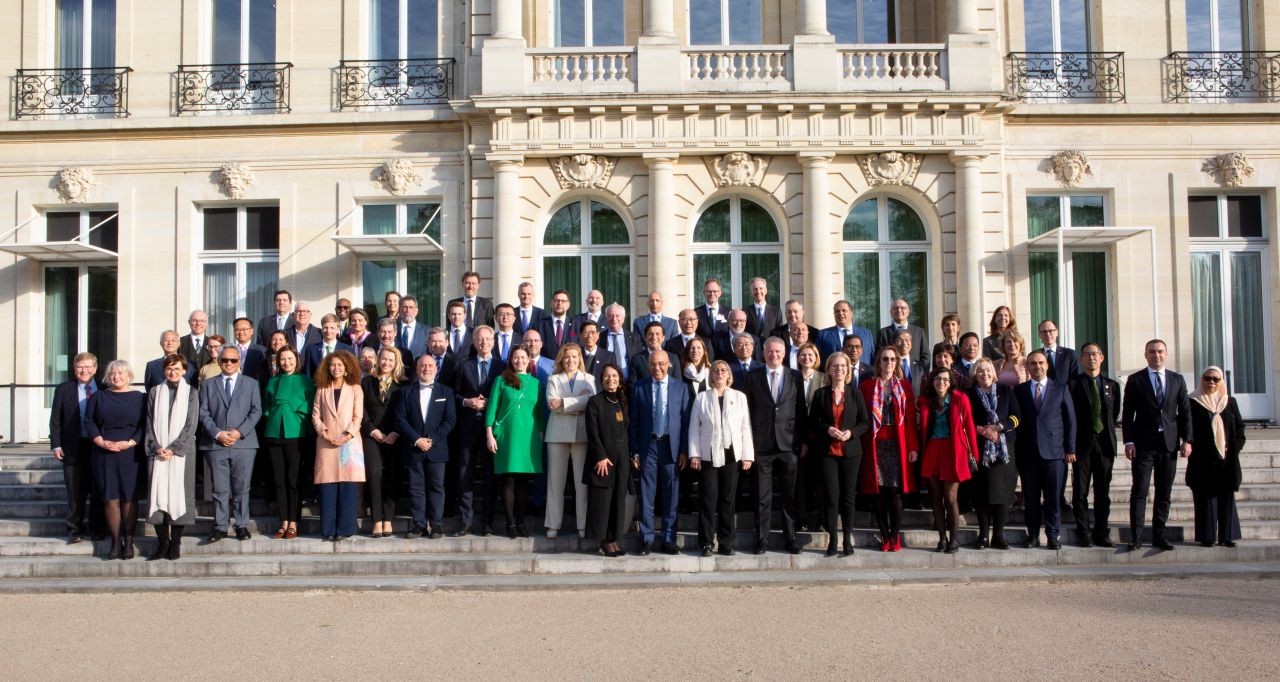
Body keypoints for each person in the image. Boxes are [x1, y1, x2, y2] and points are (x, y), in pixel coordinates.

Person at [1122, 339, 1192, 552]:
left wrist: (1187, 440)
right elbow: (1127, 413)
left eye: (1160, 351)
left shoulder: (1177, 380)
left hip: (1168, 444)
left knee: (1164, 492)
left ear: (1166, 354)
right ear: (1146, 355)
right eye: (1152, 352)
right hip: (1143, 444)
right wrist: (1129, 441)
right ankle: (1137, 536)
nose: (1156, 355)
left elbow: (1185, 411)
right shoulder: (1135, 380)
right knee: (1140, 490)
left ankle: (1160, 535)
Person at [742, 337, 806, 554]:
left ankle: (791, 537)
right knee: (762, 497)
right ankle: (762, 539)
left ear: (785, 353)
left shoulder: (794, 376)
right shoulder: (752, 377)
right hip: (762, 446)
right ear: (763, 353)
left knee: (790, 496)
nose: (774, 355)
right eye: (770, 351)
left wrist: (801, 440)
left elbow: (801, 411)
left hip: (788, 446)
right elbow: (747, 413)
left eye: (778, 351)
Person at [688, 360, 755, 556]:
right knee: (708, 500)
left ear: (729, 375)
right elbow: (694, 427)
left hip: (732, 455)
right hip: (708, 454)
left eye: (723, 370)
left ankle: (726, 542)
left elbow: (745, 427)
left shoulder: (739, 397)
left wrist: (747, 456)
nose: (719, 373)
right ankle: (706, 543)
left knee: (728, 500)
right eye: (716, 370)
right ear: (711, 375)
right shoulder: (702, 397)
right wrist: (694, 454)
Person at [628, 349, 690, 555]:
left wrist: (684, 451)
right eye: (653, 364)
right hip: (649, 447)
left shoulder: (680, 388)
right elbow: (634, 423)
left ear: (669, 364)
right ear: (648, 365)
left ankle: (668, 538)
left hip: (671, 447)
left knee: (671, 494)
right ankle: (646, 538)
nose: (658, 368)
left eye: (661, 364)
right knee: (647, 494)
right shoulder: (639, 388)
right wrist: (634, 451)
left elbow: (685, 422)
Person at [84, 360, 148, 560]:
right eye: (112, 373)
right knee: (110, 498)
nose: (116, 377)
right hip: (104, 453)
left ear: (129, 375)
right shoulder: (98, 397)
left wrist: (130, 442)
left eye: (121, 373)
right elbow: (89, 421)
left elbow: (145, 424)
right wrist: (101, 442)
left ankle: (128, 541)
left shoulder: (140, 398)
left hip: (131, 453)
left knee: (129, 497)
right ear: (107, 376)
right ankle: (115, 541)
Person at [1013, 350, 1076, 550]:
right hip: (1028, 454)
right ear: (1027, 367)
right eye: (1032, 363)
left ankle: (1053, 534)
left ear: (1047, 365)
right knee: (1031, 498)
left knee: (1053, 498)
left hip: (1055, 453)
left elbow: (1070, 420)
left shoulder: (1061, 388)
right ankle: (1032, 535)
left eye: (1040, 363)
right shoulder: (1020, 391)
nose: (1037, 366)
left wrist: (1070, 448)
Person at [809, 352, 870, 557]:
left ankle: (847, 540)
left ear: (848, 370)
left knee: (848, 497)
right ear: (828, 370)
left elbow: (864, 422)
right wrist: (827, 429)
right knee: (831, 497)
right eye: (835, 366)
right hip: (827, 452)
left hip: (851, 452)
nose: (839, 369)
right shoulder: (821, 394)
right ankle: (833, 540)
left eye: (843, 366)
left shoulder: (856, 394)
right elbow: (812, 422)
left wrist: (850, 432)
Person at [199, 346, 262, 543]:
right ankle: (220, 526)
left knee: (242, 487)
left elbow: (256, 411)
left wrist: (238, 432)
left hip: (243, 444)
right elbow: (203, 412)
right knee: (219, 488)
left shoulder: (251, 384)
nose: (228, 363)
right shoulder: (208, 384)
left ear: (239, 363)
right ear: (219, 362)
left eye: (233, 360)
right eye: (225, 360)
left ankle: (241, 525)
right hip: (215, 444)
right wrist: (217, 433)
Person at [859, 346, 919, 552]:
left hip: (897, 444)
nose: (889, 362)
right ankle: (884, 536)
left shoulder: (904, 386)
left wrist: (913, 447)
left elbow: (911, 419)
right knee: (878, 492)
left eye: (893, 359)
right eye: (885, 359)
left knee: (894, 492)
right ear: (879, 362)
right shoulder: (867, 386)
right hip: (875, 445)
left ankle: (895, 535)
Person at [917, 368, 979, 554]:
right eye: (937, 379)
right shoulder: (925, 400)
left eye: (945, 379)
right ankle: (942, 538)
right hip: (933, 451)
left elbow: (969, 426)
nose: (941, 382)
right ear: (932, 381)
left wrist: (974, 455)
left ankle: (954, 539)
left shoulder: (960, 399)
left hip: (954, 452)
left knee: (950, 498)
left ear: (951, 382)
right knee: (935, 498)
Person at [485, 346, 545, 538]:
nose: (519, 360)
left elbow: (540, 412)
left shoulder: (536, 383)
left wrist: (542, 434)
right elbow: (492, 409)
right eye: (515, 357)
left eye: (523, 357)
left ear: (529, 360)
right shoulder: (501, 380)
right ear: (510, 360)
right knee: (509, 479)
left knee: (524, 481)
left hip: (529, 437)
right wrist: (489, 434)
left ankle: (521, 521)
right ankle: (510, 523)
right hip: (507, 436)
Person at [143, 354, 199, 561]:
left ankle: (175, 543)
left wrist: (174, 448)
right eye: (169, 369)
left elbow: (191, 423)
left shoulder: (191, 392)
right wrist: (156, 447)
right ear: (164, 370)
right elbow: (149, 422)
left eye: (177, 369)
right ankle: (162, 543)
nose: (173, 372)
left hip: (180, 453)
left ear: (184, 371)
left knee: (179, 496)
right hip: (157, 452)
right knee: (158, 495)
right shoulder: (154, 392)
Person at [396, 354, 457, 539]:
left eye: (430, 365)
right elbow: (400, 419)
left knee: (437, 487)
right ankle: (419, 524)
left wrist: (431, 439)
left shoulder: (446, 392)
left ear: (436, 368)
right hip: (414, 448)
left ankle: (436, 525)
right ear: (417, 368)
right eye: (423, 366)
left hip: (436, 448)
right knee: (416, 488)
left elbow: (450, 420)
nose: (426, 369)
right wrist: (417, 439)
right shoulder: (405, 392)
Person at [1067, 343, 1121, 547]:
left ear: (1102, 358)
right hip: (1081, 445)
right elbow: (1070, 418)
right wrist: (1069, 447)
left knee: (1102, 492)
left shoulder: (1112, 386)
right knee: (1080, 491)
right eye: (1087, 354)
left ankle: (1101, 531)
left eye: (1095, 354)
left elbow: (1113, 414)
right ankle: (1084, 532)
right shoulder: (1073, 385)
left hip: (1105, 444)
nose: (1091, 358)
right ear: (1081, 359)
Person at [451, 326, 503, 536]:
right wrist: (466, 401)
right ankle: (466, 521)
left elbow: (507, 396)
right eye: (479, 339)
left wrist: (492, 403)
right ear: (473, 342)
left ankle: (488, 522)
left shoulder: (502, 366)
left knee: (491, 476)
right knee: (465, 474)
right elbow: (452, 395)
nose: (483, 343)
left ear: (493, 341)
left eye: (487, 339)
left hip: (492, 431)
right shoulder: (464, 366)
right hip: (468, 428)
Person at [1186, 366, 1246, 548]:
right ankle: (1207, 536)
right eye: (1207, 378)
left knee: (1226, 496)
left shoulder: (1229, 401)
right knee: (1205, 497)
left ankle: (1227, 536)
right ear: (1201, 379)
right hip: (1202, 458)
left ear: (1221, 382)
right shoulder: (1193, 401)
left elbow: (1239, 426)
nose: (1211, 382)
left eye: (1216, 379)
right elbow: (1187, 428)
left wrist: (1236, 446)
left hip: (1226, 458)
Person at [49, 352, 105, 543]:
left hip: (99, 446)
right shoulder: (64, 389)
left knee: (98, 489)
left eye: (88, 366)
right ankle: (75, 529)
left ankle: (97, 528)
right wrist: (56, 444)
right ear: (74, 369)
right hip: (73, 446)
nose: (84, 370)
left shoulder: (104, 388)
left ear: (96, 369)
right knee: (75, 491)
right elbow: (56, 420)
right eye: (80, 366)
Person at [968, 358, 1022, 550]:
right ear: (975, 374)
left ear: (994, 372)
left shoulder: (1006, 391)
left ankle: (999, 535)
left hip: (1003, 449)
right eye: (981, 371)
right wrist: (981, 430)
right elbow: (962, 419)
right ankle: (983, 535)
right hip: (980, 449)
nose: (985, 374)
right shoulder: (968, 394)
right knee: (982, 495)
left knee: (1002, 495)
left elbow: (1016, 417)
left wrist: (998, 427)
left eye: (988, 370)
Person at [544, 343, 597, 539]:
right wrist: (578, 401)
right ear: (561, 359)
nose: (570, 360)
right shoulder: (553, 379)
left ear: (579, 359)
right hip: (557, 433)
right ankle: (552, 524)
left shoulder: (589, 379)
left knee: (581, 483)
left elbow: (591, 402)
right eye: (566, 357)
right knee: (555, 481)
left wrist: (565, 402)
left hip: (582, 434)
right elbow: (552, 404)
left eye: (574, 357)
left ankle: (583, 525)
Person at [311, 350, 365, 541]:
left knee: (348, 487)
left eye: (340, 365)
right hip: (326, 443)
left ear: (347, 367)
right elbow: (316, 415)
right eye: (333, 364)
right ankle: (328, 529)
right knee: (328, 486)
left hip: (349, 443)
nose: (336, 368)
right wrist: (323, 432)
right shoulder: (321, 389)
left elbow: (358, 416)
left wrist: (347, 434)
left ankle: (345, 528)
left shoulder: (355, 388)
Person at [262, 346, 312, 540]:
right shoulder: (273, 381)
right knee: (279, 481)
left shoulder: (305, 381)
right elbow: (266, 405)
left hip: (296, 432)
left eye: (290, 358)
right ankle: (283, 521)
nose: (286, 362)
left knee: (294, 480)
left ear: (296, 359)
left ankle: (294, 521)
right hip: (274, 432)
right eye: (282, 359)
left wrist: (296, 412)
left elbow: (310, 404)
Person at [583, 364, 631, 557]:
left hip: (622, 459)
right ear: (601, 379)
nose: (610, 379)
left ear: (619, 379)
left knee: (618, 499)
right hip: (603, 459)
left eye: (614, 376)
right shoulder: (595, 402)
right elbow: (592, 433)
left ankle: (615, 539)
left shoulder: (622, 401)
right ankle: (603, 541)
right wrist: (601, 456)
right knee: (603, 502)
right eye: (606, 376)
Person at [361, 348, 406, 537]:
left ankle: (388, 519)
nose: (387, 363)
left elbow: (405, 411)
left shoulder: (402, 384)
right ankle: (377, 520)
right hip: (372, 436)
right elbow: (361, 409)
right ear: (378, 360)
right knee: (374, 474)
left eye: (391, 360)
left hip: (395, 437)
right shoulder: (367, 381)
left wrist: (395, 432)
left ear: (397, 363)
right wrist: (372, 429)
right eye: (384, 359)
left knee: (393, 477)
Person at [794, 341, 827, 532]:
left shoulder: (825, 379)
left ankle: (822, 518)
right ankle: (802, 518)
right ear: (798, 358)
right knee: (801, 479)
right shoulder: (792, 378)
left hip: (820, 437)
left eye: (810, 355)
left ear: (816, 358)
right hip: (799, 437)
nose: (807, 358)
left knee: (821, 479)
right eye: (803, 355)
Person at [817, 299, 874, 366]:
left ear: (851, 313)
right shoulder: (823, 335)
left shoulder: (866, 334)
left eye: (844, 310)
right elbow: (817, 359)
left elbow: (873, 357)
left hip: (863, 375)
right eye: (837, 311)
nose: (840, 313)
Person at [876, 299, 928, 368]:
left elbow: (925, 356)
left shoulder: (919, 332)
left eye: (902, 308)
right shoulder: (883, 333)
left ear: (908, 312)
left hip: (914, 376)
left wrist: (921, 374)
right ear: (891, 312)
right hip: (892, 376)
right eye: (896, 308)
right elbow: (879, 356)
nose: (899, 310)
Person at [600, 304, 640, 377]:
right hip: (607, 383)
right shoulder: (599, 338)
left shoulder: (634, 338)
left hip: (628, 383)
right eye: (610, 316)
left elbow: (638, 362)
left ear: (623, 318)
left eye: (617, 316)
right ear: (606, 319)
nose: (614, 319)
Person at [538, 289, 578, 360]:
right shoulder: (540, 325)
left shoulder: (576, 325)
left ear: (568, 305)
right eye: (556, 300)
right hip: (546, 367)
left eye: (563, 301)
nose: (559, 303)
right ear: (551, 303)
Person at [1036, 319, 1080, 384]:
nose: (1048, 334)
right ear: (1039, 335)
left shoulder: (1069, 354)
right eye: (1044, 332)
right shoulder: (1035, 355)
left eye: (1051, 331)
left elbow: (1074, 379)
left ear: (1057, 332)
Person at [744, 277, 782, 343]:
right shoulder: (745, 311)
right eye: (755, 289)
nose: (758, 292)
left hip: (770, 349)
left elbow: (779, 332)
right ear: (751, 292)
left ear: (766, 291)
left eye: (761, 288)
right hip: (752, 350)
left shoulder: (776, 311)